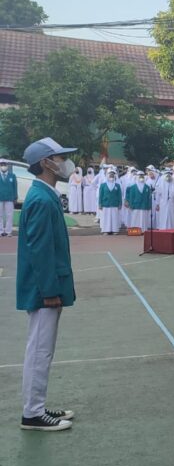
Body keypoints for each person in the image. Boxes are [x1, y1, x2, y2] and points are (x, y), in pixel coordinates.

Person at [16, 137, 78, 431]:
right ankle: (32, 413)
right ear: (46, 163)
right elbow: (41, 251)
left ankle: (37, 406)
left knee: (42, 349)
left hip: (47, 287)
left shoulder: (46, 195)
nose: (65, 162)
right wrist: (50, 291)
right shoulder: (41, 199)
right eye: (60, 157)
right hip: (44, 290)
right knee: (40, 350)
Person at [98, 170, 122, 235]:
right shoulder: (103, 185)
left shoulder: (117, 185)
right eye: (110, 174)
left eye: (113, 174)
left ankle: (115, 230)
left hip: (114, 204)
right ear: (107, 175)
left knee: (114, 217)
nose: (112, 175)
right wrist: (100, 204)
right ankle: (106, 230)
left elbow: (119, 195)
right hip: (106, 204)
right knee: (106, 217)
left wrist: (120, 204)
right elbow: (100, 195)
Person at [0, 158, 16, 236]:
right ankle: (1, 231)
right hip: (0, 198)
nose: (3, 166)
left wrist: (15, 197)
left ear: (7, 166)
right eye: (1, 165)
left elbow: (15, 187)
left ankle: (8, 231)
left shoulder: (12, 176)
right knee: (0, 215)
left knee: (9, 215)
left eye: (4, 165)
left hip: (9, 198)